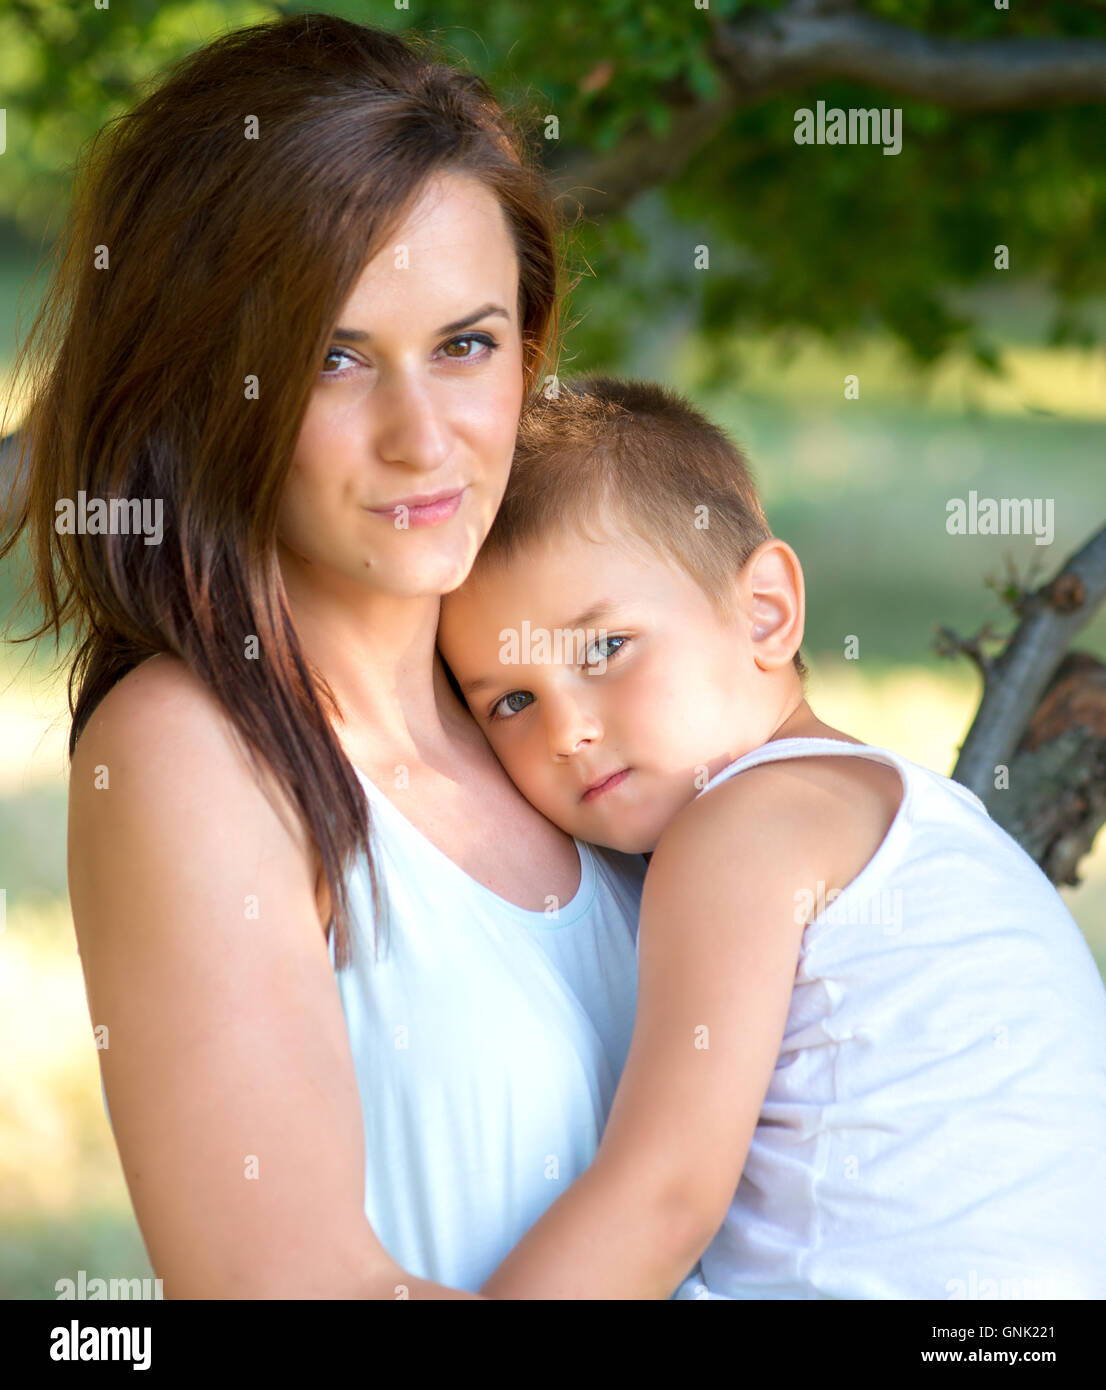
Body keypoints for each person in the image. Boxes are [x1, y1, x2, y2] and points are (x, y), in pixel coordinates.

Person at [1, 16, 703, 1299]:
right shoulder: (193, 756)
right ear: (200, 381)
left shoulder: (554, 705)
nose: (421, 438)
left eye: (465, 344)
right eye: (333, 358)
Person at [438, 373, 1106, 1300]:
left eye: (602, 649)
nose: (566, 731)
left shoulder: (746, 832)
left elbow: (664, 1201)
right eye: (511, 701)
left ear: (765, 611)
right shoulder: (896, 813)